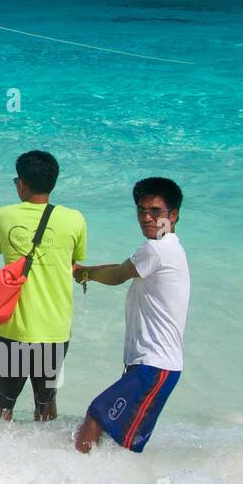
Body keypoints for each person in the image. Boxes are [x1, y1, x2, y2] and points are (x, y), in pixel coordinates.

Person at [73, 178, 190, 454]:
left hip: (155, 366)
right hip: (152, 365)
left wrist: (83, 273)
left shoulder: (157, 249)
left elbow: (117, 275)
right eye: (141, 210)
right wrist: (85, 272)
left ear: (173, 216)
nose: (147, 218)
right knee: (120, 442)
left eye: (155, 211)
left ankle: (74, 481)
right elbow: (123, 268)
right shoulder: (166, 247)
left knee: (97, 416)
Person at [0, 150, 87, 422]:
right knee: (46, 402)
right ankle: (44, 454)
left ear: (21, 184)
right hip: (55, 331)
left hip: (13, 329)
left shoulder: (2, 216)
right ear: (53, 182)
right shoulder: (75, 219)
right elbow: (75, 261)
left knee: (1, 405)